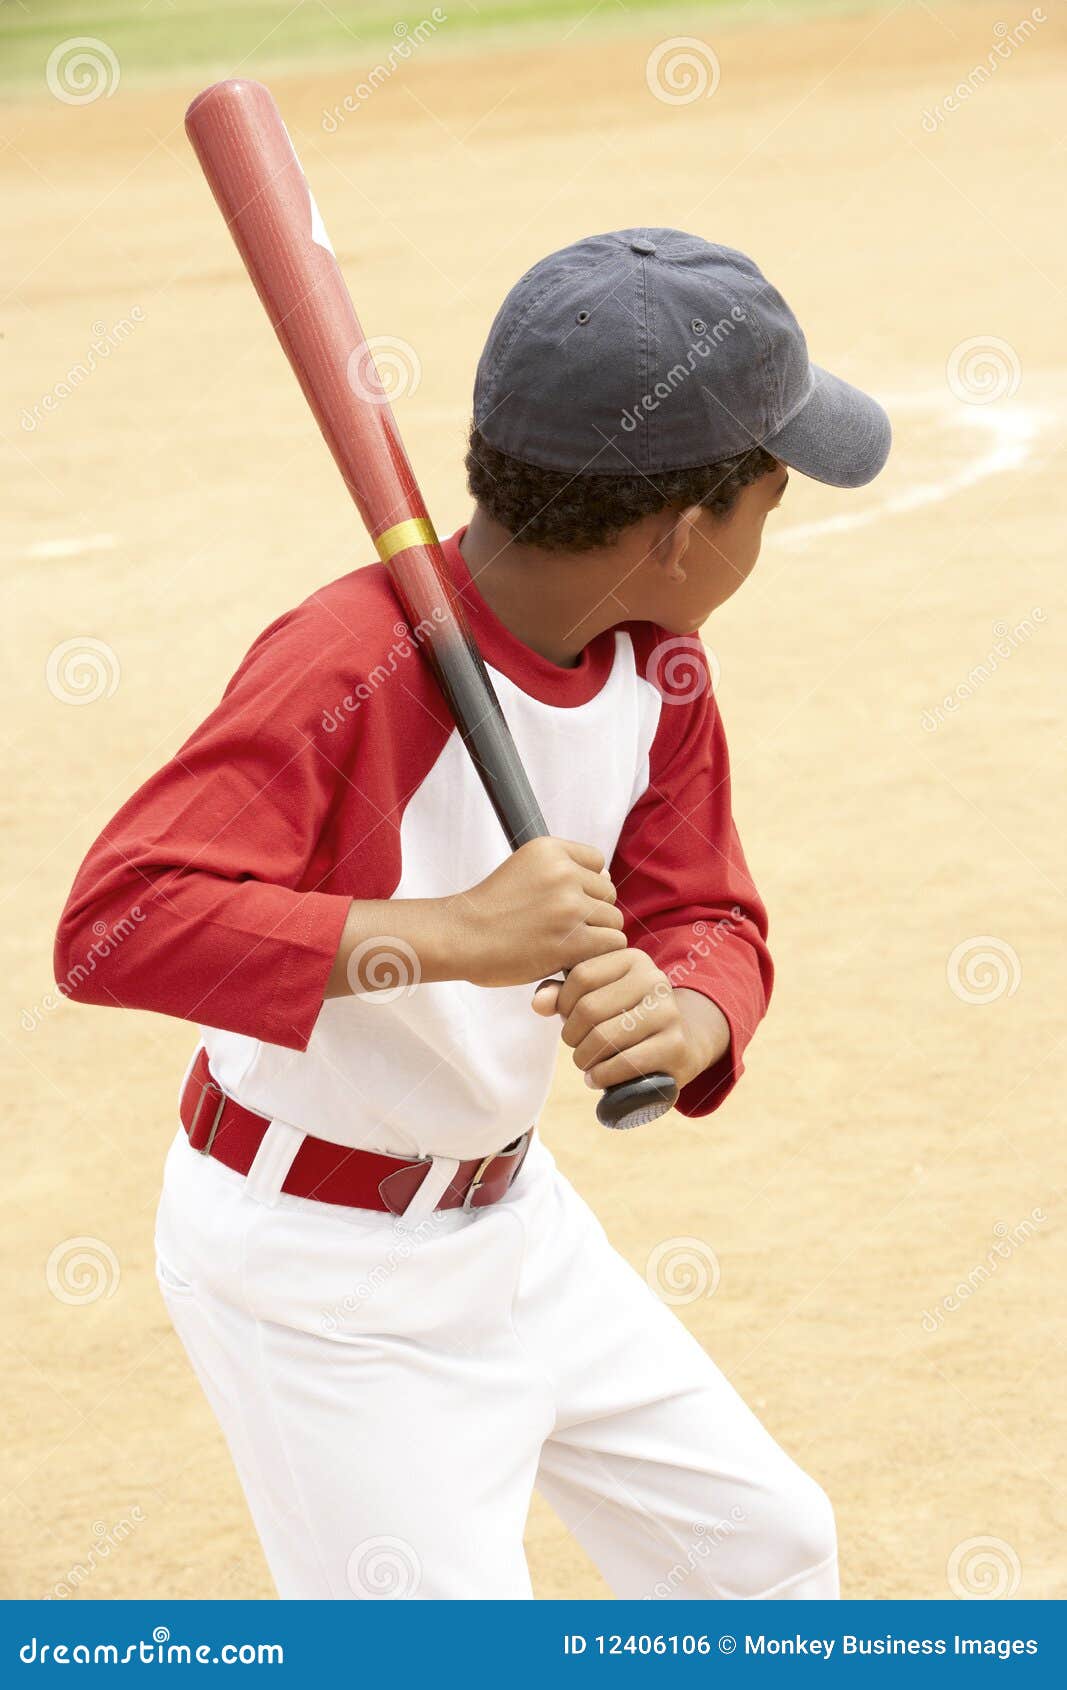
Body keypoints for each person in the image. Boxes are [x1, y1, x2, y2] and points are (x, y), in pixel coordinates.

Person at [55, 230, 890, 1600]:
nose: (768, 523)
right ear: (680, 533)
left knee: (763, 1553)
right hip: (319, 1276)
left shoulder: (658, 667)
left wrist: (680, 1017)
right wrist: (451, 932)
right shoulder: (348, 661)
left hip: (516, 1225)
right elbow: (114, 922)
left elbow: (709, 911)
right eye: (766, 497)